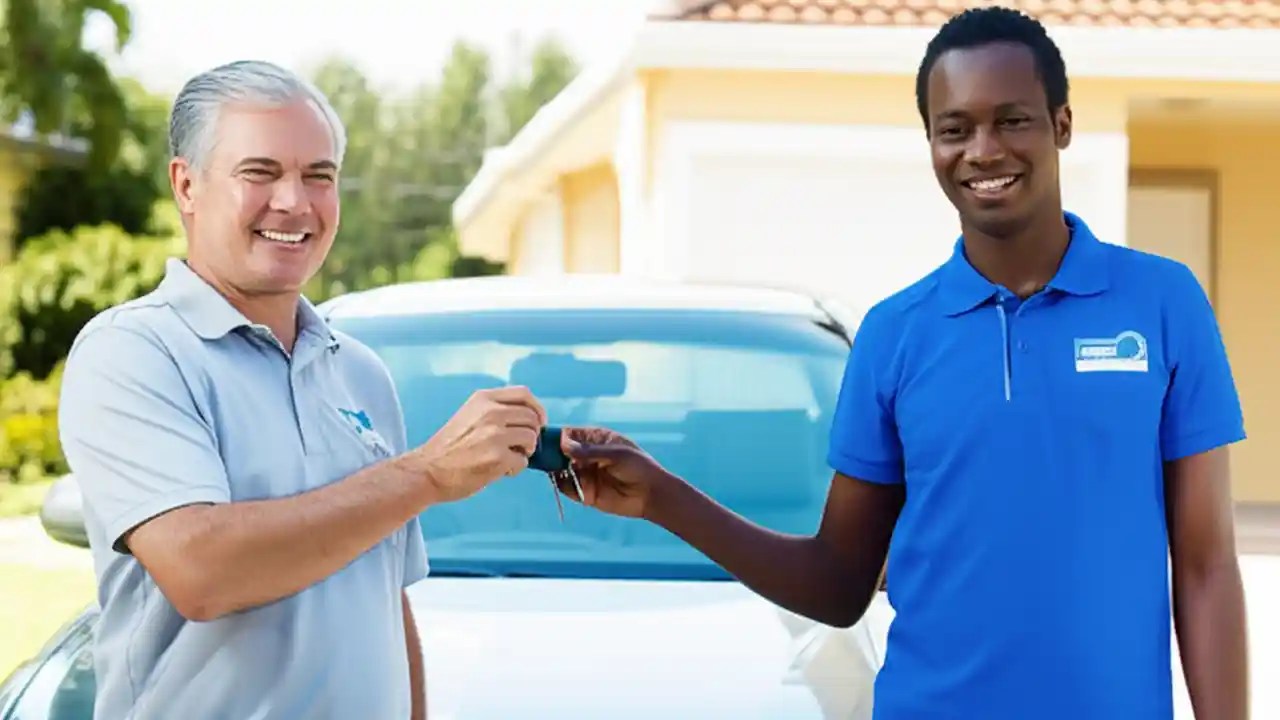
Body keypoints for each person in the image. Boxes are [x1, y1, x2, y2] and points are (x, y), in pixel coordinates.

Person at [557, 8, 1248, 720]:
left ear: (1061, 125)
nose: (984, 150)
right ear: (932, 144)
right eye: (956, 129)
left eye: (1012, 121)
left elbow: (1206, 567)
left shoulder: (1162, 304)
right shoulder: (895, 335)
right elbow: (837, 583)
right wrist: (661, 496)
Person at [57, 60, 547, 720]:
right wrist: (427, 475)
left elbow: (384, 602)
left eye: (319, 175)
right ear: (187, 185)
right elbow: (201, 572)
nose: (294, 202)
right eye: (260, 172)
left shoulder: (360, 372)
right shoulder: (134, 352)